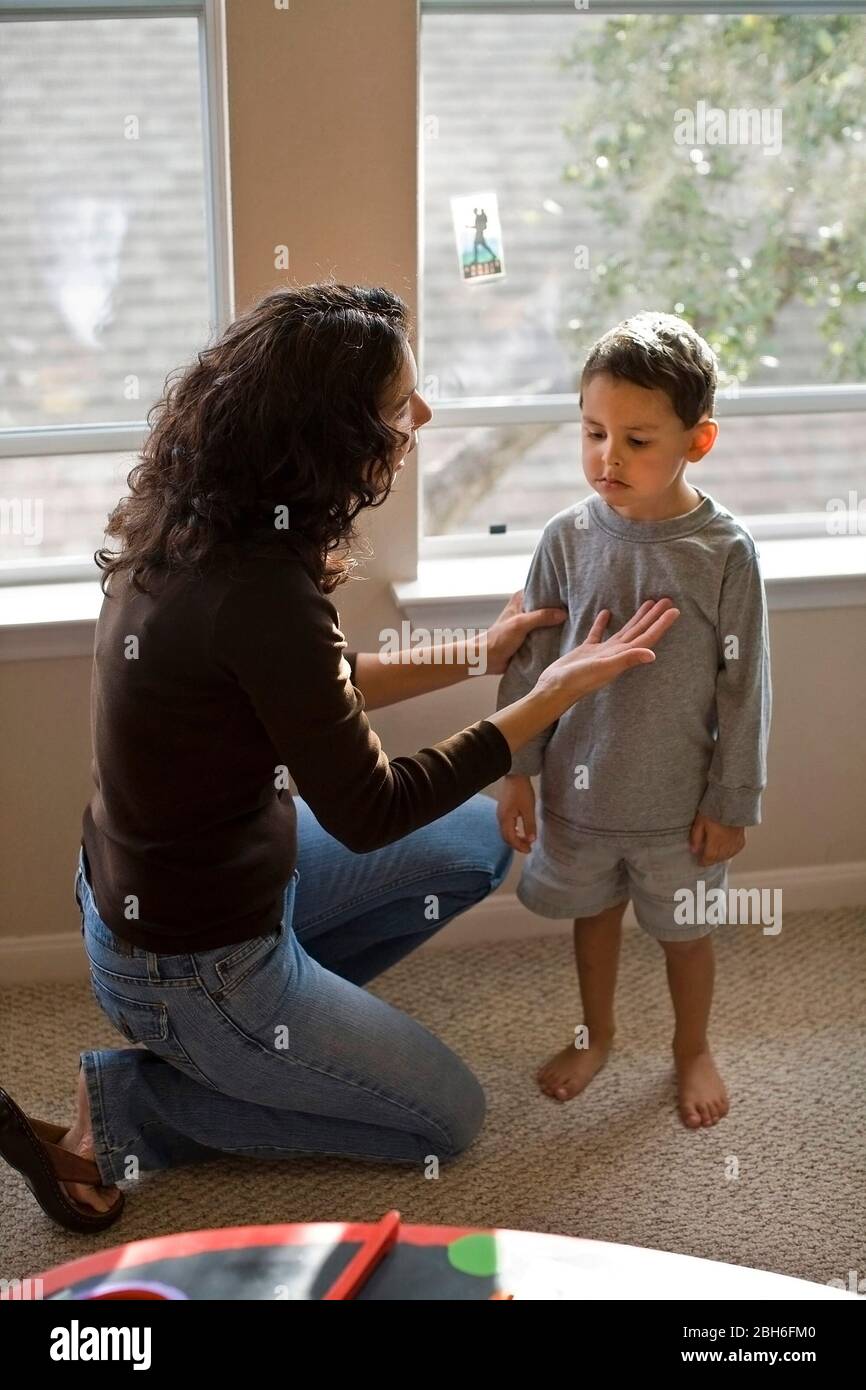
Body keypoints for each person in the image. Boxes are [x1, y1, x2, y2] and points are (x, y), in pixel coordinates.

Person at [0, 285, 679, 1232]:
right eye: (402, 404)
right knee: (447, 1119)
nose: (424, 417)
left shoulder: (197, 525)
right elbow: (370, 809)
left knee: (477, 844)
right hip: (195, 964)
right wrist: (547, 699)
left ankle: (277, 1033)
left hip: (188, 895)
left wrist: (472, 655)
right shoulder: (260, 586)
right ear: (328, 436)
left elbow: (317, 684)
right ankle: (132, 1110)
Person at [496, 311, 771, 1128]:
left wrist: (733, 803)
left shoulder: (724, 552)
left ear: (698, 440)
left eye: (637, 440)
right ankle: (599, 1033)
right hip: (581, 801)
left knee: (686, 935)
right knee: (594, 923)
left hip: (678, 811)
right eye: (592, 432)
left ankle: (692, 1046)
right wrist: (514, 772)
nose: (607, 458)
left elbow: (745, 687)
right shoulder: (566, 538)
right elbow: (529, 663)